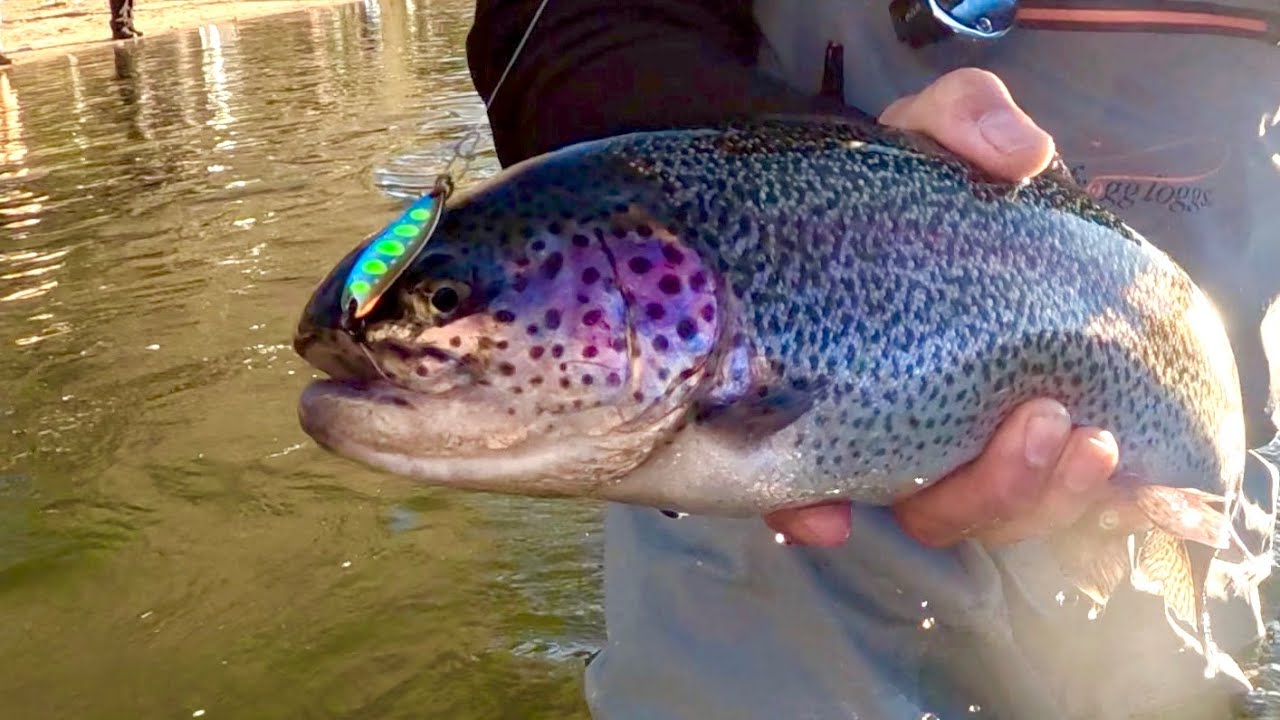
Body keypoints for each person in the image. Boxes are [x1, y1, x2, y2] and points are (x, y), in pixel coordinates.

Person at [466, 2, 1280, 718]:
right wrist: (841, 168)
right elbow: (560, 34)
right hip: (779, 591)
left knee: (1187, 685)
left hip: (1199, 439)